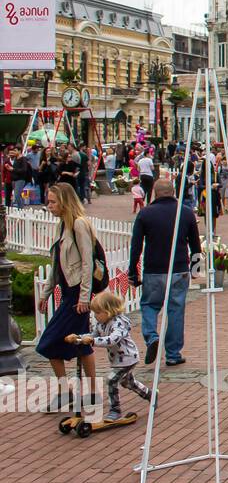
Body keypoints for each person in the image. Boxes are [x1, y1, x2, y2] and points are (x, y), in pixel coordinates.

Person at [35, 183, 100, 410]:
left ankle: (80, 392)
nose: (49, 206)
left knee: (51, 341)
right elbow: (56, 265)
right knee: (80, 342)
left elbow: (86, 262)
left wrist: (84, 297)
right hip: (67, 292)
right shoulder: (61, 225)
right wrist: (47, 292)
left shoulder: (79, 224)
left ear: (65, 201)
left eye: (53, 202)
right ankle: (74, 392)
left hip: (76, 295)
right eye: (49, 201)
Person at [128, 177, 202, 367]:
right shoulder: (185, 213)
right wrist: (196, 268)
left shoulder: (145, 214)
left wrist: (132, 271)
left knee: (149, 306)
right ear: (173, 192)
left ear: (154, 193)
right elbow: (195, 244)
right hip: (179, 268)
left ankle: (152, 336)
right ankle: (173, 353)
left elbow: (136, 246)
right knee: (176, 310)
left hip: (154, 269)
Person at [64, 291, 153, 422]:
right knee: (127, 382)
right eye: (94, 312)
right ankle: (150, 395)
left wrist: (93, 342)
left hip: (128, 358)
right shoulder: (101, 323)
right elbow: (93, 335)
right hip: (117, 360)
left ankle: (115, 410)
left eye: (98, 313)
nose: (95, 316)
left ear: (109, 311)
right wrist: (78, 337)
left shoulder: (119, 323)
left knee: (111, 380)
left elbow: (112, 339)